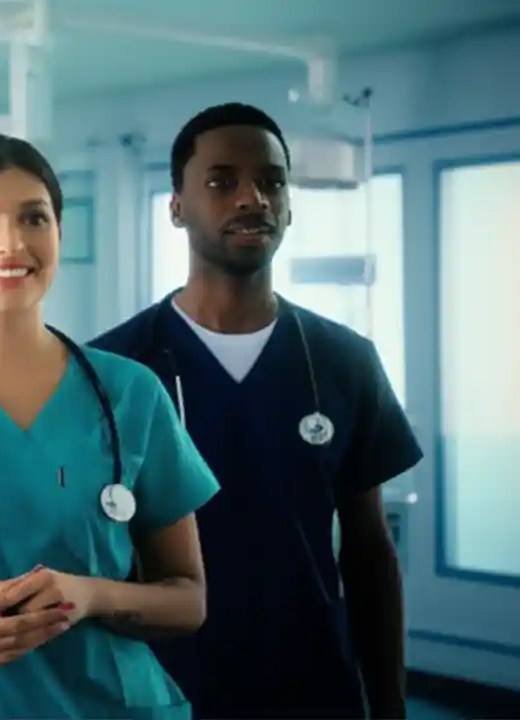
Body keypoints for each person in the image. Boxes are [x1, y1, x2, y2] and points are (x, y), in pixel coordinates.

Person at [0, 134, 220, 719]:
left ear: (59, 233)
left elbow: (187, 601)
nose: (11, 243)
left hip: (106, 705)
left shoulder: (130, 393)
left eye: (34, 218)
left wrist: (89, 595)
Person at [92, 102, 422, 719]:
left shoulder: (344, 361)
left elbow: (369, 551)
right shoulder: (113, 369)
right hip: (160, 690)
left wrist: (389, 704)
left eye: (271, 182)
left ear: (290, 205)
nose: (253, 198)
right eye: (222, 182)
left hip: (313, 686)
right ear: (176, 207)